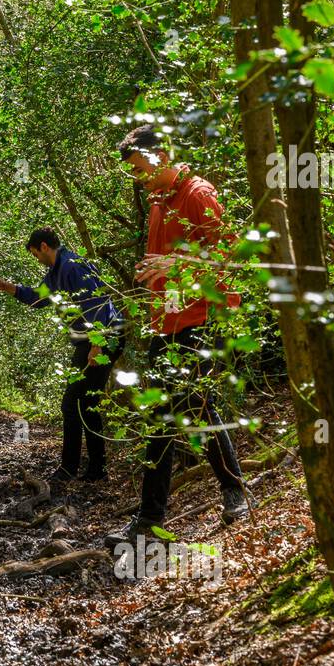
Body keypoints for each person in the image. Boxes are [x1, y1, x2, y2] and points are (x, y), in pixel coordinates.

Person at [106, 126, 251, 548]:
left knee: (169, 415)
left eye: (140, 168)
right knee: (195, 409)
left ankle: (151, 518)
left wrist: (173, 264)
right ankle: (231, 490)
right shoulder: (157, 201)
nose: (139, 177)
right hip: (167, 321)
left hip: (201, 318)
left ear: (163, 154)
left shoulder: (197, 193)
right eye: (133, 171)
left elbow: (228, 259)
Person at [0, 228, 125, 487]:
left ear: (43, 246)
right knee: (86, 404)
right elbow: (38, 298)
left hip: (103, 337)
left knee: (73, 403)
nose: (36, 259)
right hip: (91, 339)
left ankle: (69, 468)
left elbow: (96, 302)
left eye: (34, 254)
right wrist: (7, 287)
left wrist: (96, 344)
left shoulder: (72, 265)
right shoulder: (56, 272)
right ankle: (96, 469)